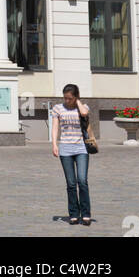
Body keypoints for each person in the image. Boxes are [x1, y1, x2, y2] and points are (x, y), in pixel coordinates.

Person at [51, 84, 92, 226]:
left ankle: (86, 214)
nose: (67, 101)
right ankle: (74, 214)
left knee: (82, 180)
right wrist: (54, 144)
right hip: (65, 149)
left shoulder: (83, 107)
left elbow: (85, 114)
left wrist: (78, 102)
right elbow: (55, 127)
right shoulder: (58, 108)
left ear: (75, 97)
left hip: (81, 148)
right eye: (65, 98)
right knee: (71, 183)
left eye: (70, 98)